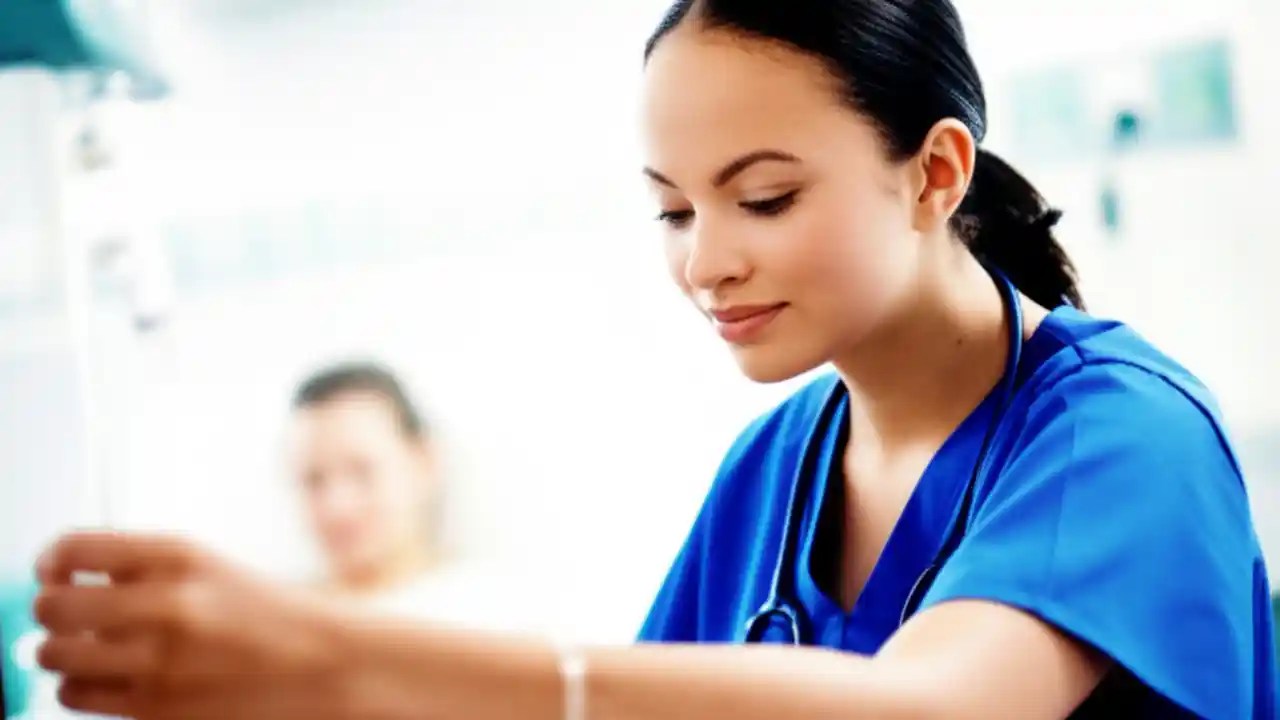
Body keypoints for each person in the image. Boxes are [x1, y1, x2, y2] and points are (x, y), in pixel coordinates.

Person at [27, 1, 1278, 718]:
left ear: (932, 174)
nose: (703, 263)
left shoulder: (1116, 434)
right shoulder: (773, 472)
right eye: (673, 210)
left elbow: (933, 709)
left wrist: (339, 655)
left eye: (764, 198)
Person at [288, 362, 470, 623]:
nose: (338, 507)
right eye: (314, 480)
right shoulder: (276, 618)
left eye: (362, 472)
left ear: (425, 462)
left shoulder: (486, 610)